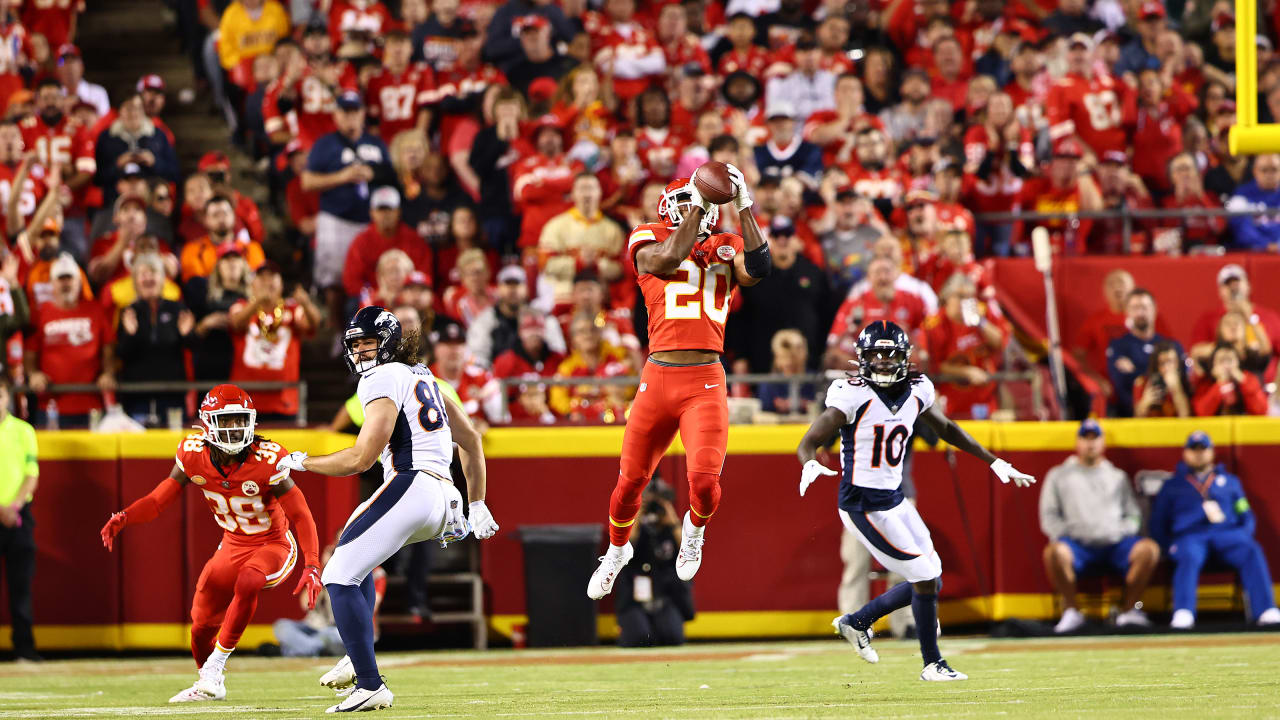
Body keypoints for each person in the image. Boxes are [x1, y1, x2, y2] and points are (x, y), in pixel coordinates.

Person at [274, 307, 500, 713]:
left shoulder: (381, 377)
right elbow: (473, 442)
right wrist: (477, 502)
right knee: (351, 556)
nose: (361, 352)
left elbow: (361, 458)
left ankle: (370, 683)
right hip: (442, 496)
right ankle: (358, 655)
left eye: (368, 342)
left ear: (390, 342)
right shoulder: (425, 376)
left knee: (337, 575)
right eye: (355, 344)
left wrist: (302, 461)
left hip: (412, 485)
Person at [797, 321, 1035, 681]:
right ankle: (932, 663)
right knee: (924, 576)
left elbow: (948, 430)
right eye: (874, 354)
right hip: (862, 504)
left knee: (932, 578)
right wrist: (809, 461)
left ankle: (857, 622)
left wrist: (994, 461)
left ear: (904, 358)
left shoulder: (918, 389)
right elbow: (810, 437)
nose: (881, 361)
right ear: (861, 358)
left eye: (889, 354)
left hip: (895, 500)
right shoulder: (851, 393)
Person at [587, 164, 768, 598]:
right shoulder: (645, 236)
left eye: (698, 199)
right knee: (630, 481)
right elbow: (668, 259)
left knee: (704, 484)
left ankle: (695, 529)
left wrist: (744, 206)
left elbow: (759, 269)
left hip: (704, 379)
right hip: (658, 375)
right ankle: (616, 551)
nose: (694, 207)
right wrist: (700, 205)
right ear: (669, 207)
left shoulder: (726, 244)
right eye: (686, 200)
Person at [99, 385, 322, 702]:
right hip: (232, 544)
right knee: (200, 626)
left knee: (249, 580)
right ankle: (208, 683)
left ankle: (216, 668)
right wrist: (125, 516)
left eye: (239, 420)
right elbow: (159, 500)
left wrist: (312, 565)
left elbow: (301, 515)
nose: (233, 428)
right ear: (207, 424)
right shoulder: (193, 453)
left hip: (272, 544)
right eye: (226, 420)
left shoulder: (269, 459)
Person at [1040, 419, 1160, 634]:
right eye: (1085, 438)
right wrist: (1068, 533)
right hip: (1077, 545)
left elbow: (1133, 515)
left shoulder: (1116, 476)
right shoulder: (1059, 475)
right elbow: (1049, 516)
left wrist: (1120, 532)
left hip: (1115, 544)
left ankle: (1129, 610)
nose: (1090, 444)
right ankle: (1071, 611)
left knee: (1149, 550)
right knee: (1054, 552)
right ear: (1077, 442)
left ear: (1103, 442)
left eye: (1095, 438)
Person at [1151, 432, 1280, 630]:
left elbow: (1245, 513)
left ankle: (1265, 610)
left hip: (1226, 535)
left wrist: (1244, 534)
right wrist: (1168, 546)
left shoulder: (1230, 482)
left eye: (1203, 449)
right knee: (1188, 554)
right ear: (1185, 453)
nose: (1199, 454)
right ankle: (1183, 611)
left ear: (1211, 452)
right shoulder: (1172, 485)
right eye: (1194, 449)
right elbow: (1158, 522)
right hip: (1190, 536)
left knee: (1251, 549)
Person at [302, 90, 394, 305]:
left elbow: (391, 175)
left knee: (373, 279)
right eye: (345, 112)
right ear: (336, 115)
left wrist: (373, 174)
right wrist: (341, 177)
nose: (350, 117)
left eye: (354, 112)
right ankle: (337, 334)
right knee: (334, 283)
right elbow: (307, 182)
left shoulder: (376, 143)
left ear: (362, 113)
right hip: (336, 219)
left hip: (372, 222)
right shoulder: (324, 144)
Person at [24, 252, 115, 428]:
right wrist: (33, 374)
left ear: (79, 282)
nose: (66, 283)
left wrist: (108, 372)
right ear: (52, 284)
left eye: (70, 278)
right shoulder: (41, 313)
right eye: (61, 279)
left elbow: (108, 347)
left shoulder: (95, 310)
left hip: (91, 405)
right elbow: (30, 353)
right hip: (51, 406)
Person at [613, 479, 695, 647]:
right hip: (634, 599)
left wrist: (671, 519)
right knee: (639, 637)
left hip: (665, 597)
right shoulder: (638, 530)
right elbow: (625, 546)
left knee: (673, 637)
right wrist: (638, 513)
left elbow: (688, 551)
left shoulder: (670, 529)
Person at [0, 375, 38, 661]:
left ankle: (24, 648)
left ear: (7, 398)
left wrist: (12, 507)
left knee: (20, 586)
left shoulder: (24, 431)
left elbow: (31, 474)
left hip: (18, 516)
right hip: (8, 513)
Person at [1106, 288, 1184, 418]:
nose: (1140, 313)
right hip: (1129, 416)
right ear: (1127, 312)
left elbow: (1183, 380)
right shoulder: (1118, 346)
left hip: (1172, 412)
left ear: (1154, 309)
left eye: (1144, 307)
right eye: (1135, 308)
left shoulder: (1170, 346)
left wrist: (1136, 372)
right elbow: (1120, 386)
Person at [1192, 344, 1270, 416]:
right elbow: (1201, 413)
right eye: (1221, 360)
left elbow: (1262, 410)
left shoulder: (1248, 379)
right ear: (1213, 364)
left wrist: (1243, 381)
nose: (1226, 365)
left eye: (1229, 360)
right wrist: (1220, 383)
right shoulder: (1206, 382)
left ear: (1238, 363)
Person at [1226, 153, 1280, 251]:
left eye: (1274, 169)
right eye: (1264, 170)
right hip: (1253, 252)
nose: (1269, 175)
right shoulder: (1241, 194)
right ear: (1255, 171)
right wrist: (1266, 245)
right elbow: (1241, 228)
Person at [1132, 341, 1193, 418]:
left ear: (1178, 363)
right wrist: (1145, 402)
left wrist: (1177, 390)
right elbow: (1136, 420)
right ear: (1156, 366)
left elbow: (1186, 418)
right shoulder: (1142, 383)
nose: (1167, 368)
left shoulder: (1187, 383)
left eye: (1171, 361)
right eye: (1162, 363)